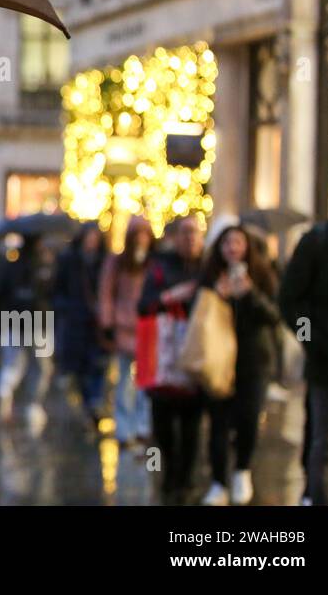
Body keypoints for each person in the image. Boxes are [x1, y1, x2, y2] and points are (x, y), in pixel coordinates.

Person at [281, 165, 328, 506]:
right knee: (325, 444)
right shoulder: (318, 241)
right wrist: (310, 339)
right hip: (327, 364)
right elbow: (291, 301)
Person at [198, 222, 280, 506]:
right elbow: (198, 313)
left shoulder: (261, 275)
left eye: (238, 242)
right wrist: (216, 296)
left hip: (253, 361)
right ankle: (219, 481)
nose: (233, 248)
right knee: (218, 423)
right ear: (219, 248)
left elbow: (275, 315)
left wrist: (249, 294)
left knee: (248, 420)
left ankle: (242, 470)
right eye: (227, 243)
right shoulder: (209, 275)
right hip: (217, 360)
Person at [138, 215, 205, 506]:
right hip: (163, 358)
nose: (190, 238)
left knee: (192, 426)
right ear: (175, 237)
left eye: (195, 233)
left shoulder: (208, 270)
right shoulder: (160, 267)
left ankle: (185, 481)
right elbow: (143, 306)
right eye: (185, 233)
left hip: (196, 356)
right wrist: (170, 296)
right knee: (162, 425)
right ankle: (166, 474)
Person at [0, 233, 55, 431]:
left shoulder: (12, 266)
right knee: (41, 367)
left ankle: (5, 390)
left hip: (14, 322)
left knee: (12, 363)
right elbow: (50, 293)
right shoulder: (42, 267)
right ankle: (33, 405)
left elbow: (0, 294)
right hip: (38, 323)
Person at [98, 217, 152, 447]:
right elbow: (106, 293)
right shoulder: (117, 262)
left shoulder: (153, 263)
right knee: (124, 381)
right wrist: (108, 322)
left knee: (145, 381)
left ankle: (142, 425)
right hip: (123, 327)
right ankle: (124, 427)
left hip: (147, 327)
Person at [53, 222, 106, 430]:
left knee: (96, 364)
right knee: (80, 368)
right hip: (75, 321)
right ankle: (89, 402)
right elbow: (59, 289)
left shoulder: (102, 262)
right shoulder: (70, 261)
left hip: (96, 322)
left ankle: (94, 401)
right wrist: (65, 308)